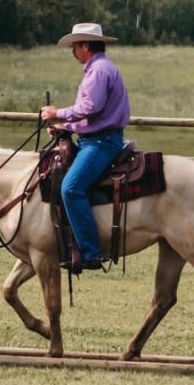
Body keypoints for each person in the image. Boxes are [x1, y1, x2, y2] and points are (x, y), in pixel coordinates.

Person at [41, 23, 131, 270]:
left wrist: (57, 112)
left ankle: (90, 252)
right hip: (95, 138)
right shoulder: (98, 69)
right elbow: (91, 116)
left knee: (70, 188)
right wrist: (65, 128)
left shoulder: (99, 71)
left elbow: (91, 108)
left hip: (101, 142)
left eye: (75, 46)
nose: (73, 52)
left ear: (85, 46)